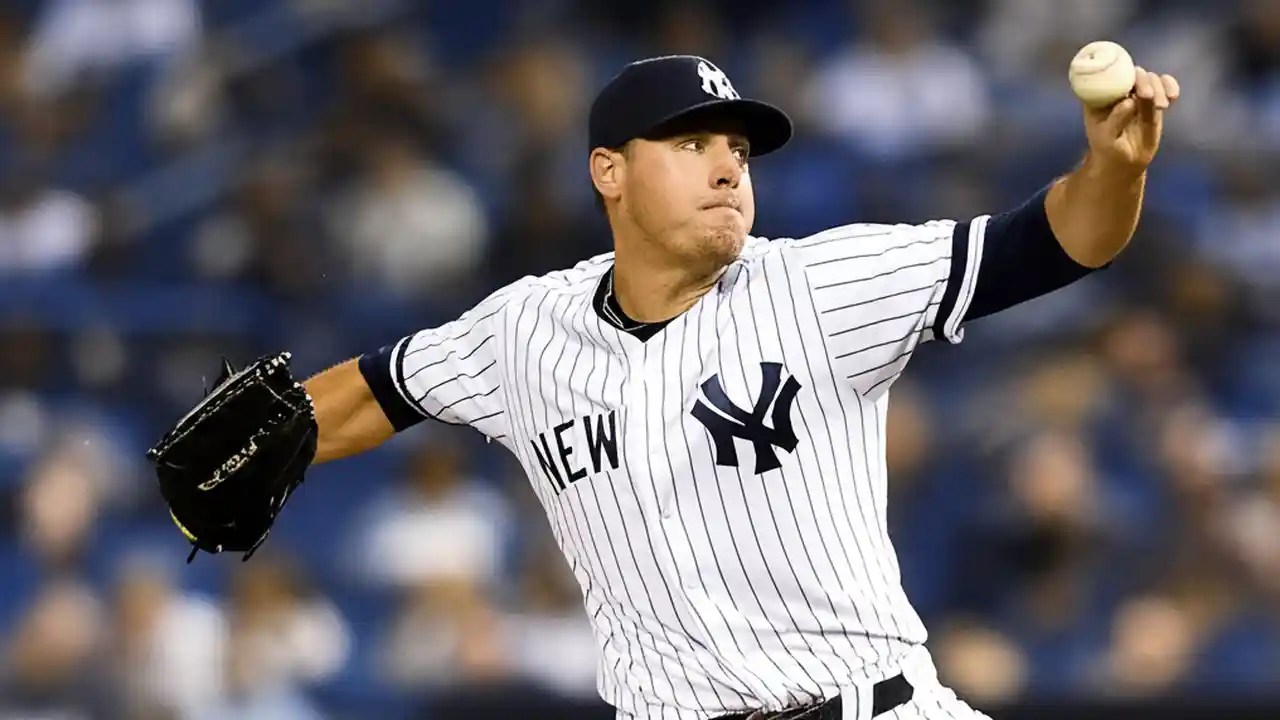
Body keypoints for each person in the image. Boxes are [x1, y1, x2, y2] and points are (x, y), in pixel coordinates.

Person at [160, 54, 1181, 719]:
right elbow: (379, 390)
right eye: (690, 143)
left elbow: (1049, 244)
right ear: (609, 172)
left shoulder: (818, 285)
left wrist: (1114, 173)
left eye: (736, 148)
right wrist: (253, 451)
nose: (727, 167)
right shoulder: (524, 330)